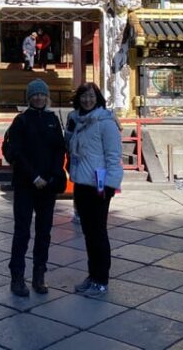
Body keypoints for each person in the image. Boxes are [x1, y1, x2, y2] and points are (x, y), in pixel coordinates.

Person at [4, 79, 67, 296]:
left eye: (42, 94)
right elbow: (16, 152)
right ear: (29, 97)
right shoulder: (20, 121)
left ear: (46, 96)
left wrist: (52, 175)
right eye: (35, 95)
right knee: (22, 231)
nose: (39, 98)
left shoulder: (52, 119)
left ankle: (39, 274)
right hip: (25, 183)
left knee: (44, 231)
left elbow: (60, 149)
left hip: (47, 184)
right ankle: (17, 276)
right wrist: (34, 177)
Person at [65, 83, 123, 298]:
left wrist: (111, 184)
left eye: (91, 96)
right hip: (81, 183)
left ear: (97, 98)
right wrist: (69, 129)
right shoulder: (77, 121)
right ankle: (92, 275)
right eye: (83, 97)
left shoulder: (105, 123)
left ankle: (101, 280)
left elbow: (113, 156)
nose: (87, 100)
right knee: (88, 233)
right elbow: (69, 147)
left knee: (98, 233)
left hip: (99, 186)